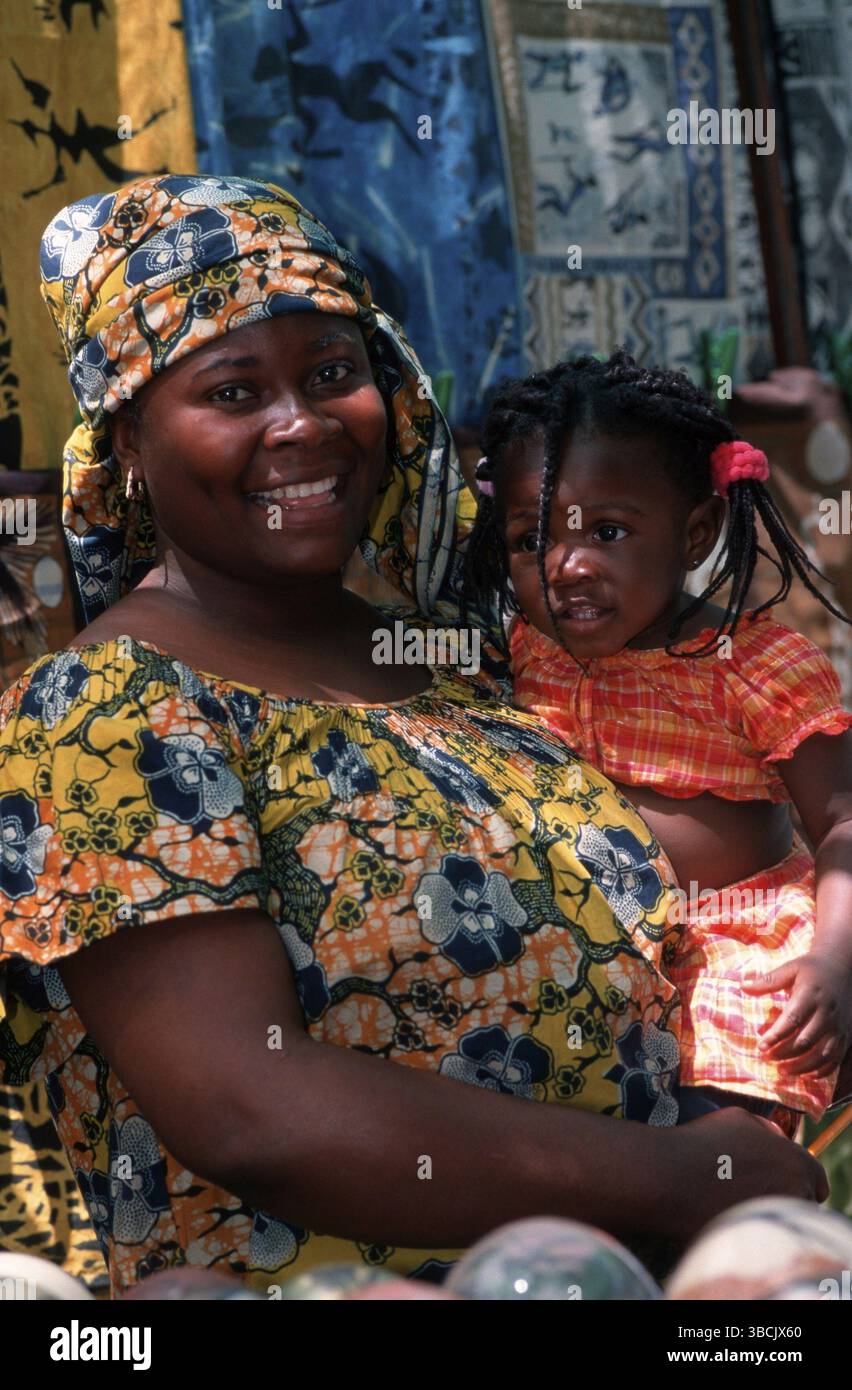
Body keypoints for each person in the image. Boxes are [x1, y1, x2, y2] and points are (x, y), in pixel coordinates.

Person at [0, 179, 825, 1298]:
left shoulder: (464, 659)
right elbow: (255, 1107)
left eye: (333, 374)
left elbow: (740, 842)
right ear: (132, 443)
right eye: (233, 389)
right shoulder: (101, 713)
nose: (301, 422)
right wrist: (686, 1177)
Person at [464, 351, 852, 1131]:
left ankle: (748, 1234)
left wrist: (836, 961)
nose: (567, 566)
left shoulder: (756, 666)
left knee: (720, 1131)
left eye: (608, 532)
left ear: (696, 531)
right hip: (583, 944)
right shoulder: (525, 648)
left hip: (729, 941)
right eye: (527, 540)